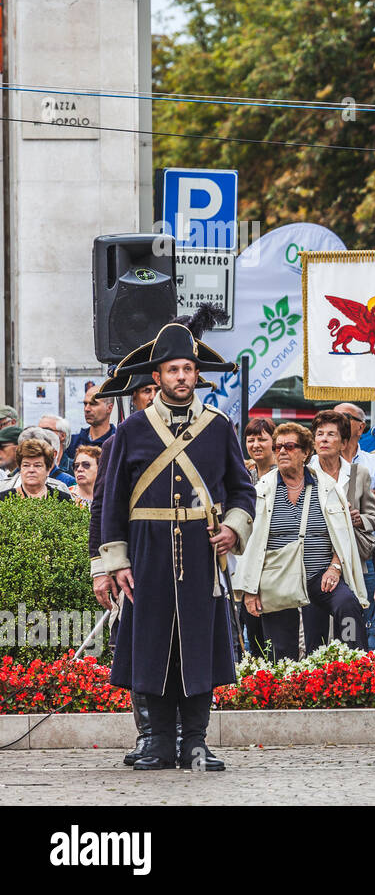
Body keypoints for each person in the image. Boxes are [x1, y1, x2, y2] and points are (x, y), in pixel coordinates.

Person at [98, 309, 257, 771]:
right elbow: (109, 503)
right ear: (158, 375)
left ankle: (195, 743)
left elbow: (243, 489)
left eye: (188, 369)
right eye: (173, 369)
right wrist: (114, 560)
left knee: (198, 645)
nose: (182, 376)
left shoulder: (219, 427)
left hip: (201, 553)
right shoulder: (130, 431)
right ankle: (154, 741)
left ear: (196, 374)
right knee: (150, 645)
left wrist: (233, 526)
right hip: (145, 554)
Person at [237, 421, 369, 660]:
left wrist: (335, 567)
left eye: (290, 446)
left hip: (320, 575)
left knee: (348, 606)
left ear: (306, 452)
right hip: (276, 578)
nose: (282, 452)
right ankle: (284, 693)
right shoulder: (261, 490)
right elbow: (250, 544)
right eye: (278, 447)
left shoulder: (328, 488)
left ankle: (355, 665)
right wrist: (250, 589)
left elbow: (343, 536)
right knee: (281, 653)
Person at [309, 410, 375, 573]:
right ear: (314, 442)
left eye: (331, 434)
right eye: (320, 434)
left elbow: (373, 517)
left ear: (343, 443)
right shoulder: (305, 473)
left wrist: (358, 519)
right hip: (313, 559)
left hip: (352, 559)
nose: (324, 439)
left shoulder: (358, 473)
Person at [332, 402, 375, 514]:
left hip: (367, 530)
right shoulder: (315, 462)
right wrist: (366, 494)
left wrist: (334, 497)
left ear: (361, 427)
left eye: (344, 417)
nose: (336, 422)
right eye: (332, 418)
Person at [0, 438, 73, 501]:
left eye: (37, 465)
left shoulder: (63, 499)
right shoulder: (3, 499)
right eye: (26, 465)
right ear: (20, 469)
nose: (31, 470)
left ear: (48, 470)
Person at [67, 383, 116, 459]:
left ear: (109, 408)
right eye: (85, 404)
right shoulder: (73, 443)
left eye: (93, 404)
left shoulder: (118, 443)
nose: (87, 409)